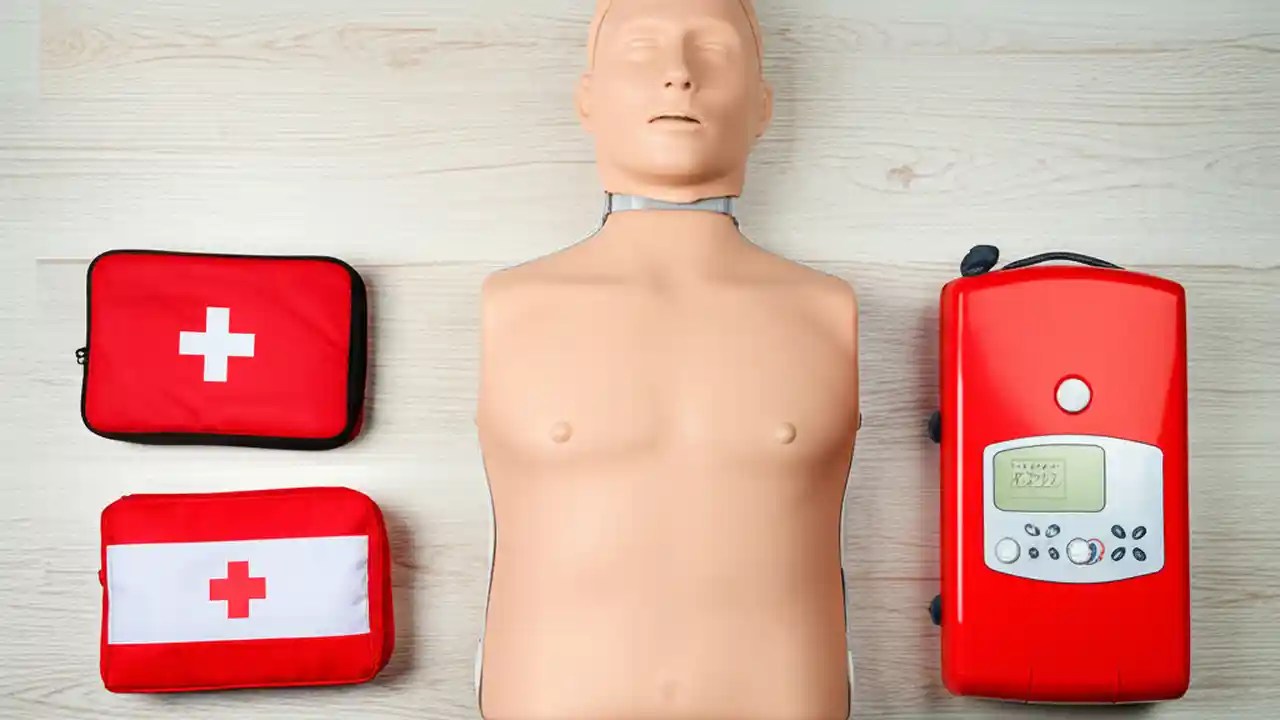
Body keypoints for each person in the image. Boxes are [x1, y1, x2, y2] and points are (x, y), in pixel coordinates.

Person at [474, 1, 860, 717]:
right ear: (586, 99)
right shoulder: (514, 304)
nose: (678, 75)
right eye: (643, 51)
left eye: (712, 52)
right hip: (551, 694)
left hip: (781, 695)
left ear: (764, 105)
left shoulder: (824, 310)